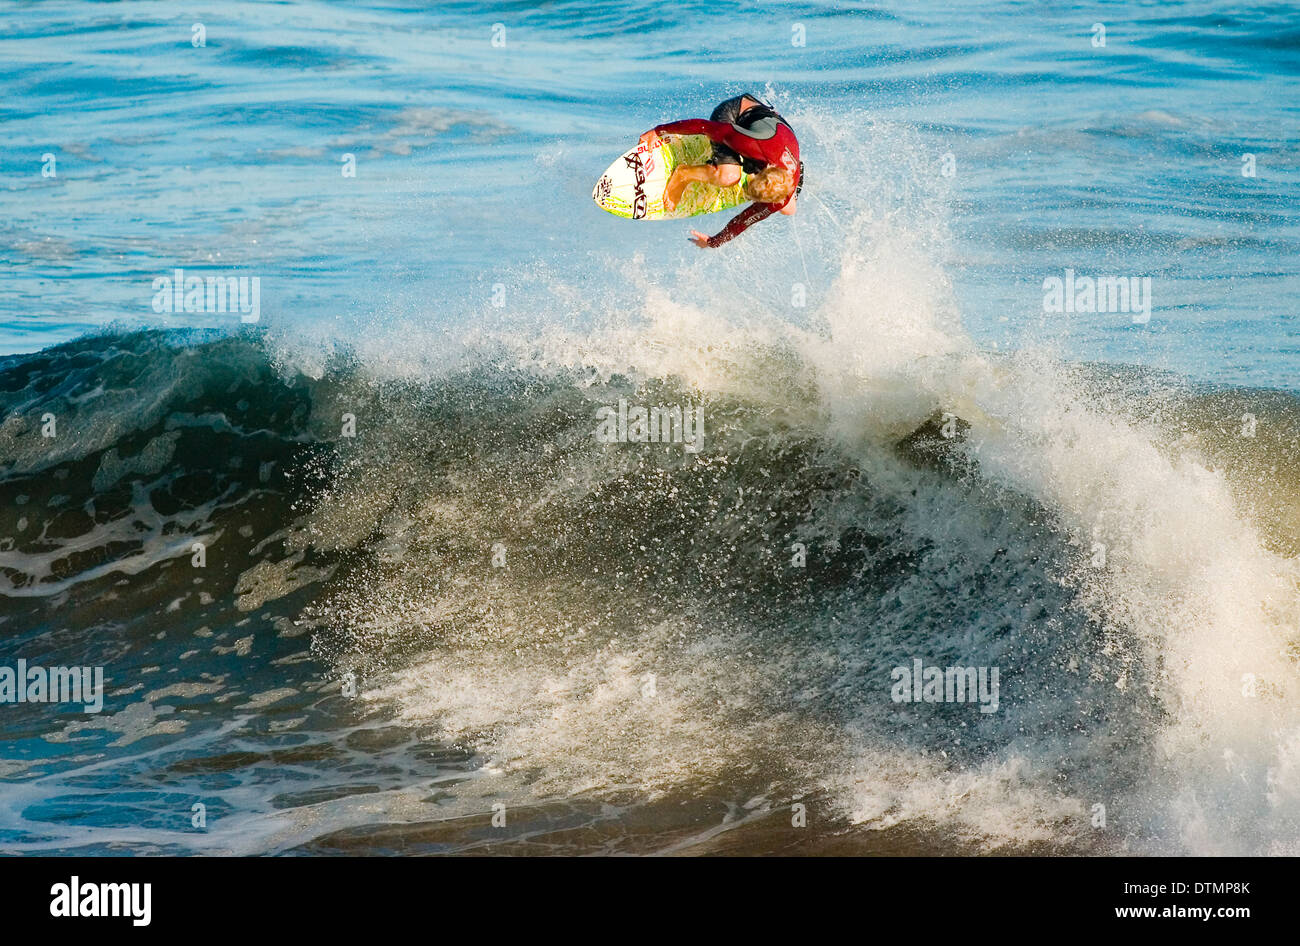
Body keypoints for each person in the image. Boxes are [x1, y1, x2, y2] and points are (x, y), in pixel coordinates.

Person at [639, 92, 802, 248]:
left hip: (776, 137)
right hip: (737, 114)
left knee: (789, 210)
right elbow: (704, 126)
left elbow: (745, 220)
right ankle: (683, 174)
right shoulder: (748, 143)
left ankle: (737, 169)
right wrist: (659, 130)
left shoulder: (782, 195)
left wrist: (713, 242)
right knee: (729, 177)